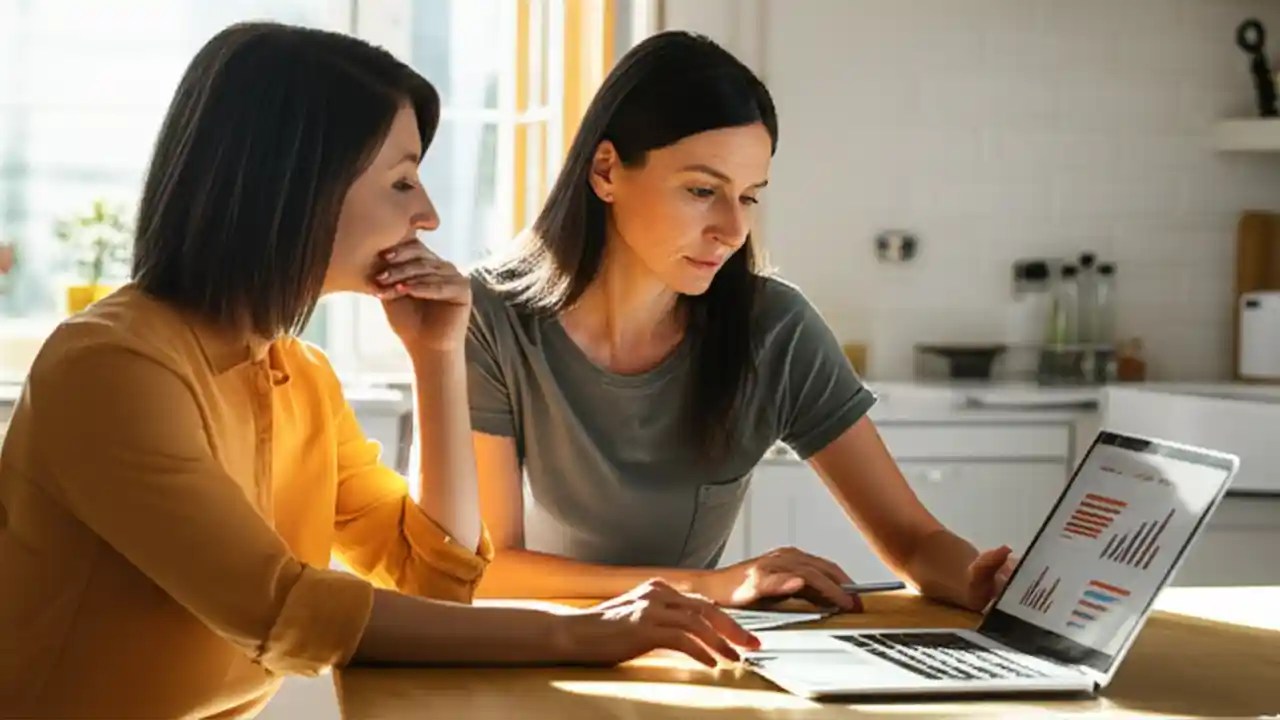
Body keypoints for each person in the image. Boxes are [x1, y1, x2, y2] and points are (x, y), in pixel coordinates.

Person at [0, 23, 754, 719]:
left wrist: (436, 358)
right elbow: (282, 611)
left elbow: (435, 579)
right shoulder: (113, 369)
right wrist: (580, 635)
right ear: (293, 186)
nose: (426, 214)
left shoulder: (296, 374)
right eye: (401, 181)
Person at [467, 31, 1018, 613]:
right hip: (532, 665)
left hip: (690, 663)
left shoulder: (773, 328)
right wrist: (708, 586)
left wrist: (976, 579)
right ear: (606, 171)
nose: (732, 230)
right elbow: (483, 568)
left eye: (750, 197)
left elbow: (914, 539)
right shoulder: (488, 318)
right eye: (703, 190)